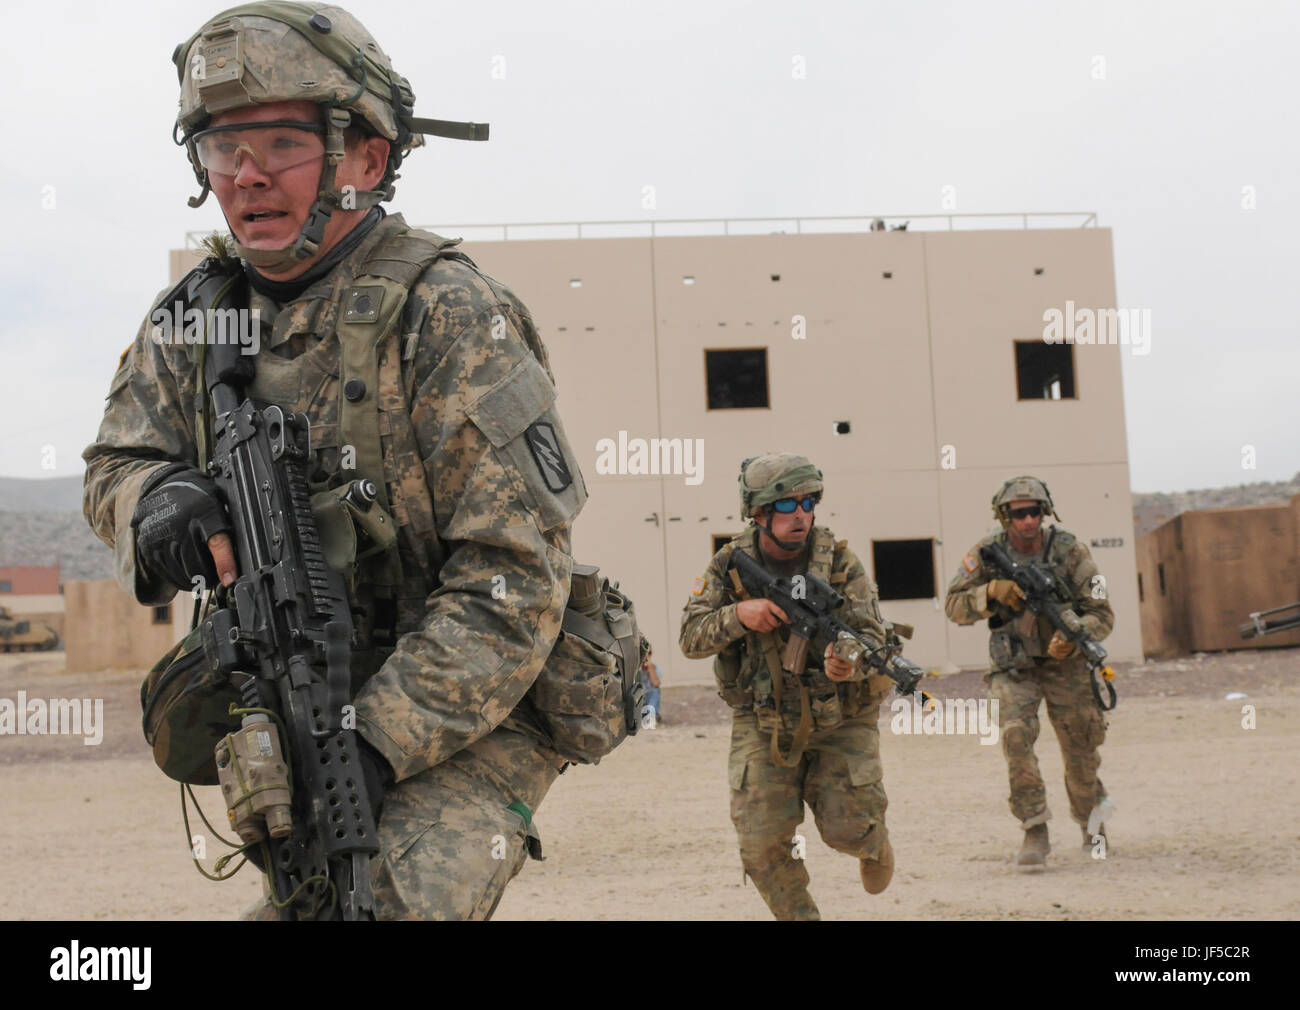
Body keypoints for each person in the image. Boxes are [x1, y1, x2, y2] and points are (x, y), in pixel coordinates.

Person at [82, 2, 588, 919]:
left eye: (278, 142)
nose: (245, 176)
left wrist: (375, 738)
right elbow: (115, 465)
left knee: (387, 903)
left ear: (367, 156)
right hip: (289, 693)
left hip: (467, 701)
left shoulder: (451, 313)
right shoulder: (192, 321)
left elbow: (515, 578)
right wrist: (158, 503)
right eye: (220, 149)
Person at [679, 453, 896, 920]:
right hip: (764, 717)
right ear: (758, 513)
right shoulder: (728, 566)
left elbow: (872, 637)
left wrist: (848, 664)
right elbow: (690, 638)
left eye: (808, 501)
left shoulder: (839, 560)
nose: (800, 513)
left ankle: (872, 843)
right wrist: (739, 615)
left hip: (841, 717)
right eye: (785, 505)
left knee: (845, 828)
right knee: (760, 843)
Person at [944, 476, 1115, 868]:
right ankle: (1034, 827)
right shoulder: (987, 554)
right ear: (1004, 516)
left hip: (1066, 665)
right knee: (1016, 738)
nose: (1027, 521)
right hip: (1014, 666)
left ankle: (1093, 823)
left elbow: (1103, 613)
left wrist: (1075, 636)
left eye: (1034, 511)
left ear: (1046, 512)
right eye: (1018, 514)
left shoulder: (1072, 552)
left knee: (1081, 750)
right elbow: (954, 606)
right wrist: (989, 593)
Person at [639, 648, 663, 725]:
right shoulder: (636, 670)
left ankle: (652, 716)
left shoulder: (655, 668)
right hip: (641, 700)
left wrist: (651, 668)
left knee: (655, 691)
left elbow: (656, 683)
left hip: (650, 701)